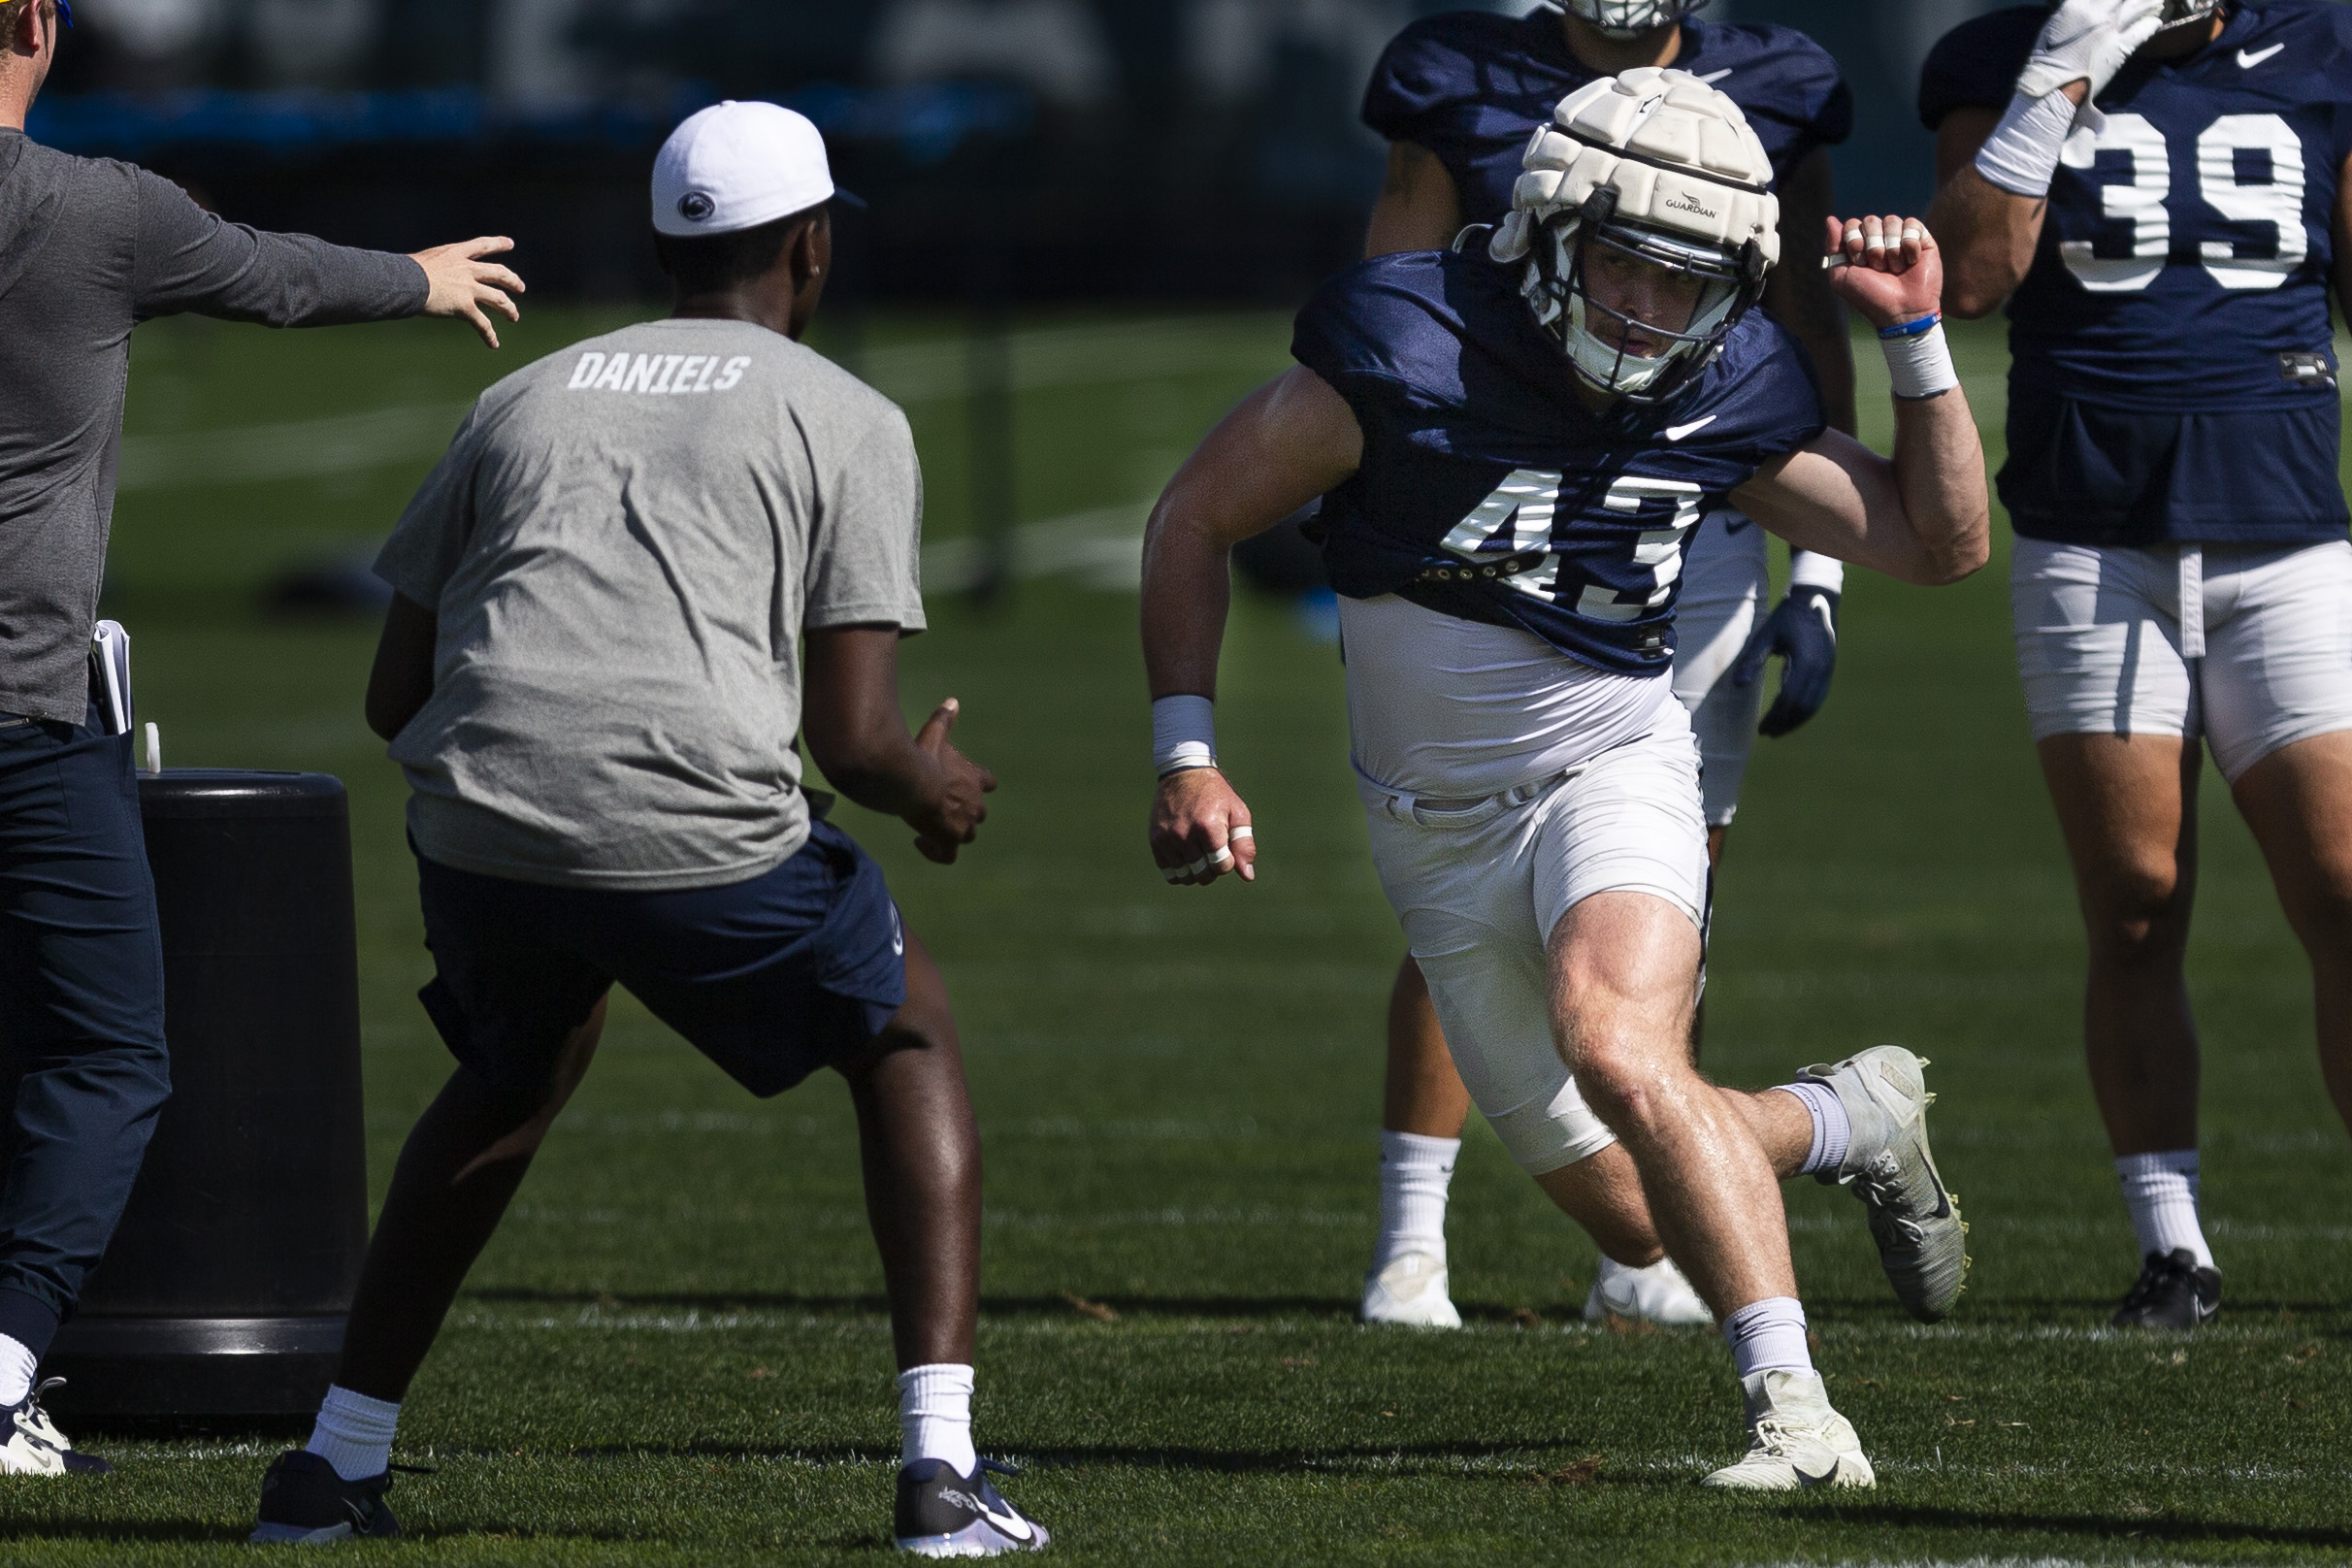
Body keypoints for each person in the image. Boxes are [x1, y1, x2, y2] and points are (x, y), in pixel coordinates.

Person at [1144, 69, 1988, 1486]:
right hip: (1429, 832)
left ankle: (1798, 1411)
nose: (1654, 312)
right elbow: (1194, 517)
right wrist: (1186, 749)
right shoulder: (1406, 347)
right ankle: (1845, 1116)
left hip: (1611, 758)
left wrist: (1918, 341)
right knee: (1638, 1216)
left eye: (1689, 281)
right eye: (1625, 265)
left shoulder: (1730, 384)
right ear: (1547, 230)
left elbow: (1936, 541)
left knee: (1619, 1042)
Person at [245, 103, 1047, 1556]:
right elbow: (858, 741)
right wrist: (938, 789)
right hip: (695, 831)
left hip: (477, 825)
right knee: (905, 1025)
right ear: (812, 246)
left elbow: (391, 691)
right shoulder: (846, 415)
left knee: (511, 1069)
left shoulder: (528, 394)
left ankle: (327, 1465)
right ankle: (942, 1471)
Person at [0, 0, 525, 1477]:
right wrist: (420, 278)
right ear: (40, 22)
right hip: (30, 716)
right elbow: (273, 277)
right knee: (105, 1058)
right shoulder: (100, 210)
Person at [1356, 0, 1863, 1329]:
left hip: (1683, 501)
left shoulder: (1780, 74)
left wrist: (1822, 574)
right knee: (1466, 847)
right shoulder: (1454, 68)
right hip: (1494, 490)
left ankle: (1640, 1248)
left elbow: (1802, 315)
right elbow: (1390, 290)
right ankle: (1413, 1242)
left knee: (1663, 880)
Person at [1922, 0, 2352, 1329]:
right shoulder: (2000, 54)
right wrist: (2063, 71)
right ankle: (2174, 1244)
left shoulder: (2325, 43)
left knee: (2344, 887)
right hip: (2091, 533)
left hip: (2284, 526)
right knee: (2134, 895)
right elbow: (1974, 275)